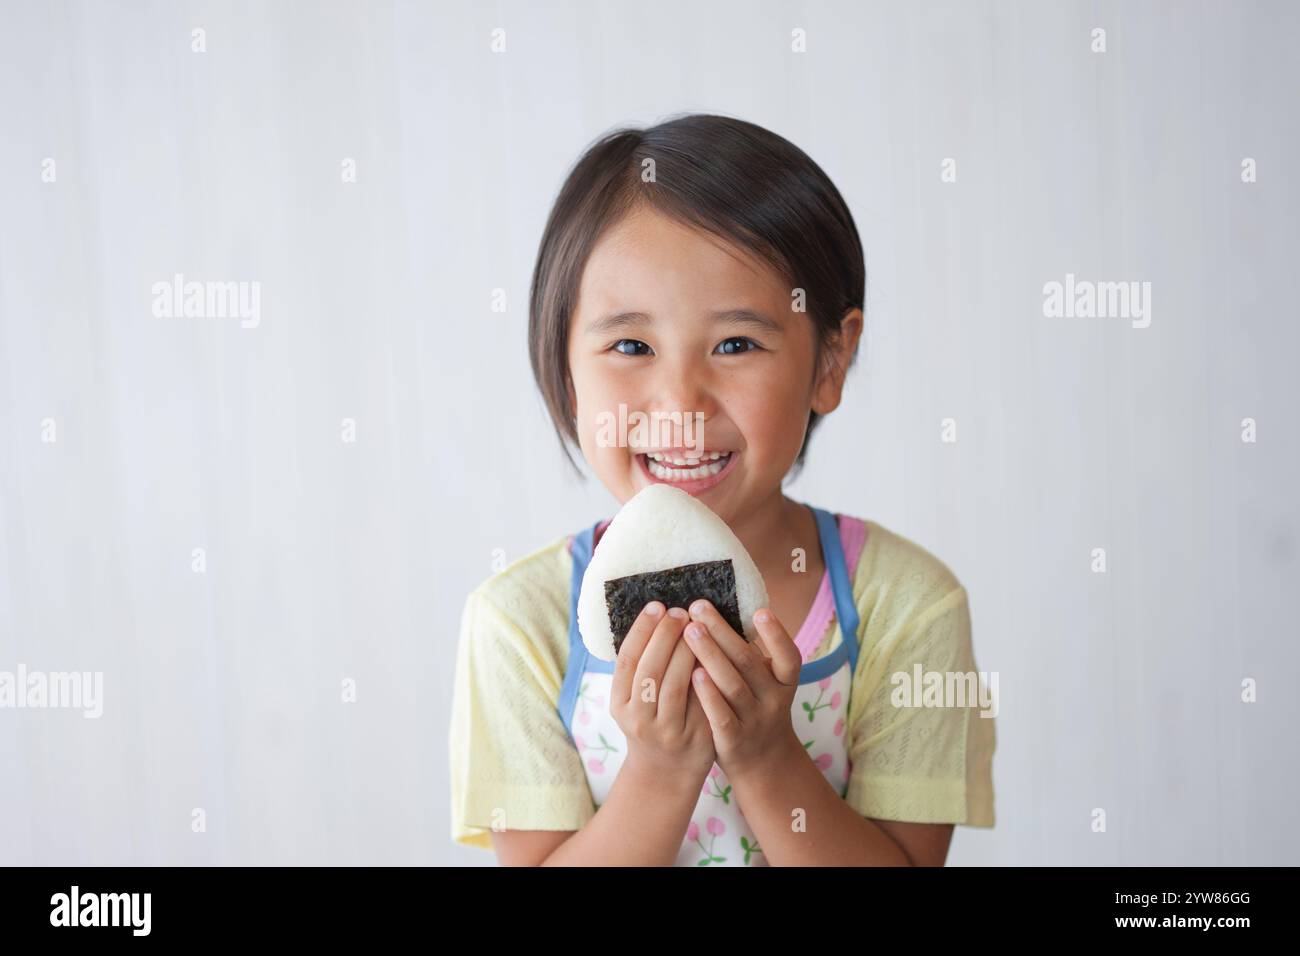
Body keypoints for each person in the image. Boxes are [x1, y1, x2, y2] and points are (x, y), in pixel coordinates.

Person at [449, 113, 995, 866]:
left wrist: (768, 758)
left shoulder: (906, 604)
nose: (681, 403)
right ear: (565, 373)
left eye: (736, 343)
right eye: (631, 345)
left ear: (830, 362)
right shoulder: (521, 626)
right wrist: (661, 770)